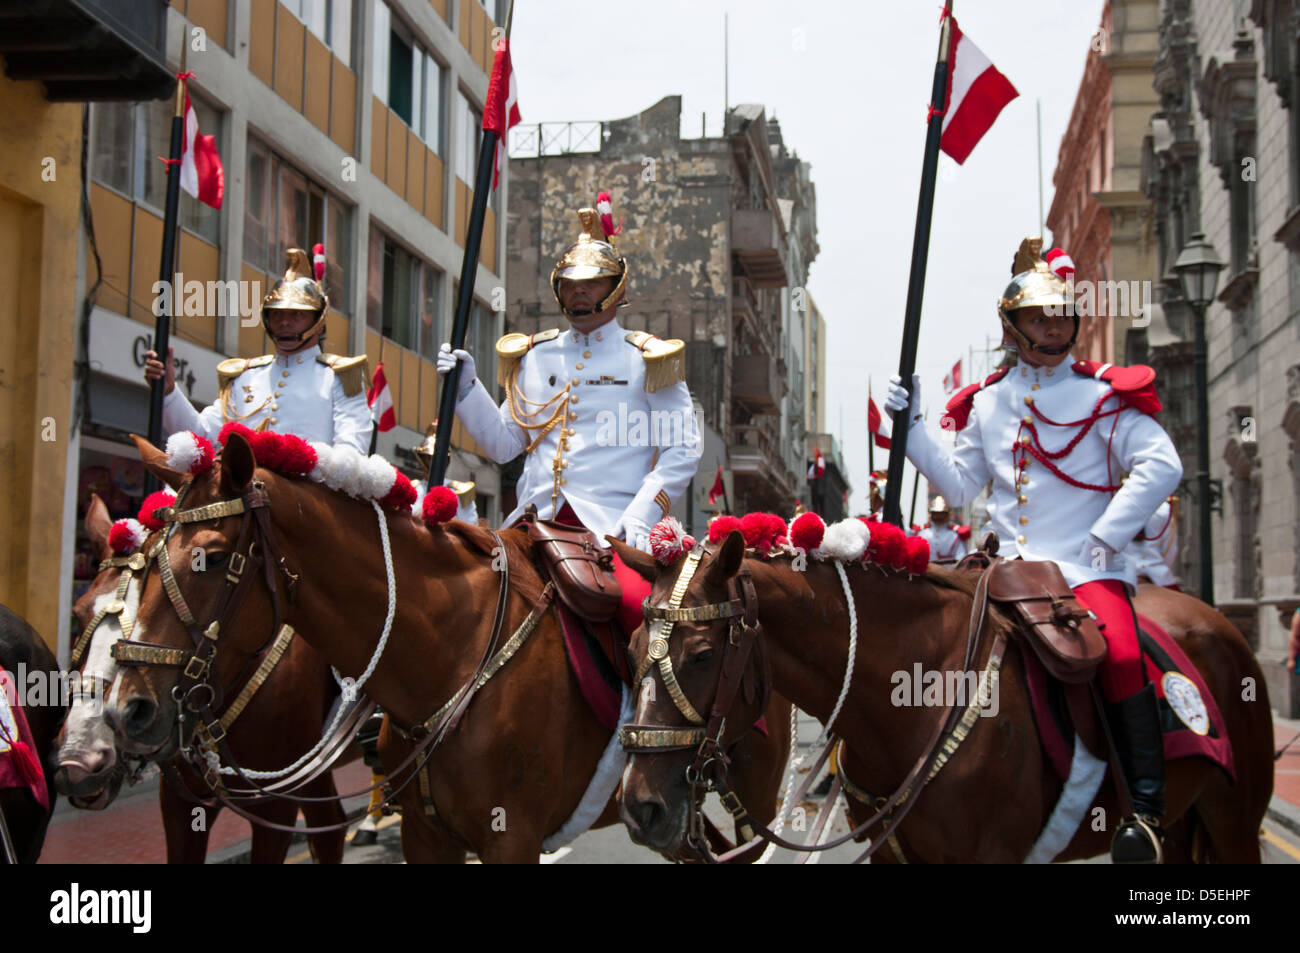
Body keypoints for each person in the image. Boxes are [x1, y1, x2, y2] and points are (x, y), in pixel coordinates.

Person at [885, 237, 1183, 863]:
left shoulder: (1105, 396)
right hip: (1000, 571)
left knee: (1124, 654)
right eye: (1039, 316)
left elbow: (1162, 464)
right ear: (1011, 325)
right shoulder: (987, 402)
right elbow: (962, 485)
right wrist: (911, 430)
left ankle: (1147, 813)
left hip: (1083, 567)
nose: (1053, 325)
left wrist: (1106, 538)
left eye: (1061, 315)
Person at [436, 195, 701, 635]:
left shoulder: (648, 357)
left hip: (609, 525)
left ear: (616, 287)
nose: (579, 291)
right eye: (571, 283)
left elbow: (682, 449)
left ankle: (633, 707)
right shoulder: (536, 354)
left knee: (644, 619)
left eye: (593, 282)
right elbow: (504, 446)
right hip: (530, 522)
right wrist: (467, 388)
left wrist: (640, 517)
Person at [144, 247, 372, 454]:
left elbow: (351, 451)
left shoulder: (339, 377)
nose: (284, 322)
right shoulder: (245, 375)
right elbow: (202, 437)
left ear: (319, 321)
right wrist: (169, 392)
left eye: (296, 315)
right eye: (277, 314)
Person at [1128, 496, 1180, 590]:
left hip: (1123, 573)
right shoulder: (1164, 509)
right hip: (1158, 575)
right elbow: (1170, 549)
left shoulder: (1113, 507)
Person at [917, 496, 968, 565]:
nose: (938, 516)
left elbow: (961, 557)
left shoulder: (955, 535)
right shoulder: (922, 533)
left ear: (947, 515)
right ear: (931, 514)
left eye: (941, 514)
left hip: (948, 572)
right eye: (935, 513)